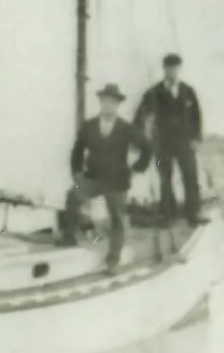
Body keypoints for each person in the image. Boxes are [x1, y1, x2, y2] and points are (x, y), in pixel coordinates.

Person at [63, 84, 151, 269]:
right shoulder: (89, 126)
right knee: (72, 196)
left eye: (112, 102)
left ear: (117, 104)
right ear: (100, 102)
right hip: (93, 178)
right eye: (105, 101)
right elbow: (76, 152)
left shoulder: (126, 128)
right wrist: (77, 174)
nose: (108, 105)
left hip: (117, 182)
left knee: (117, 219)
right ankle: (69, 238)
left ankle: (113, 259)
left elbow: (148, 149)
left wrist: (136, 170)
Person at [136, 52, 206, 224]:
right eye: (169, 68)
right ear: (164, 69)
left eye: (175, 68)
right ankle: (169, 215)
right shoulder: (154, 92)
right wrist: (141, 140)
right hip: (162, 146)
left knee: (191, 177)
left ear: (179, 69)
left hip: (185, 144)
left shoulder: (188, 92)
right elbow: (140, 116)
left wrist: (196, 139)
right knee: (164, 179)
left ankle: (193, 214)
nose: (172, 72)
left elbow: (197, 117)